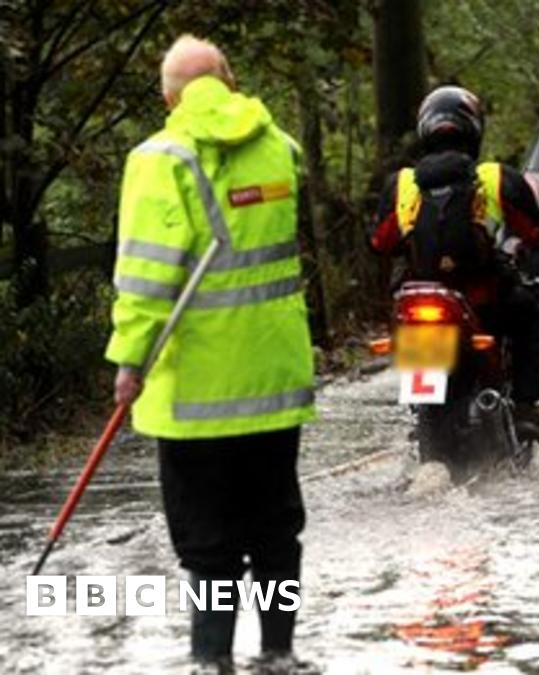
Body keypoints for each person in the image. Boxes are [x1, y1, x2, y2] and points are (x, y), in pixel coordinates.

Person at [105, 35, 315, 672]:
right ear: (229, 82)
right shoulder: (281, 149)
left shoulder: (158, 159)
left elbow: (145, 278)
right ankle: (279, 654)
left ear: (169, 97)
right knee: (277, 534)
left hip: (195, 395)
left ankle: (211, 660)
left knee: (209, 548)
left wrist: (129, 359)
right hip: (274, 384)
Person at [369, 85, 539, 441]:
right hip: (483, 300)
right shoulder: (495, 178)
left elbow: (379, 243)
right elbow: (537, 233)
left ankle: (421, 416)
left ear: (425, 130)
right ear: (474, 129)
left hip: (418, 297)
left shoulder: (402, 184)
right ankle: (525, 407)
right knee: (536, 319)